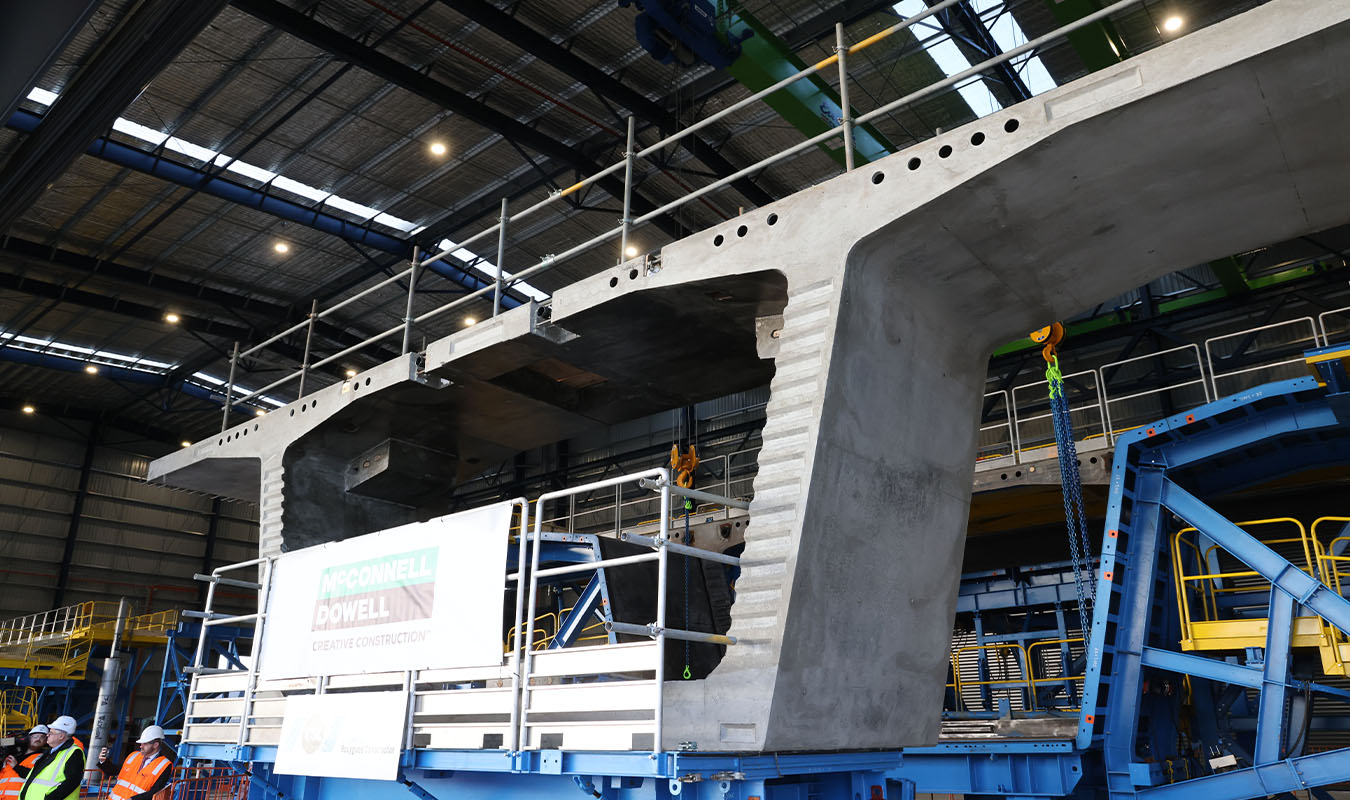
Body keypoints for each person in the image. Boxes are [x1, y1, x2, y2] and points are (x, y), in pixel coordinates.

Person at [96, 727, 174, 800]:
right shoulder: (134, 756)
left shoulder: (164, 765)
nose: (141, 746)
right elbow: (116, 771)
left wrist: (133, 799)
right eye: (141, 743)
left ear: (155, 745)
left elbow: (154, 792)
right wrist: (103, 761)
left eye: (145, 744)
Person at [15, 717, 82, 800]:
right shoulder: (50, 752)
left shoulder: (74, 753)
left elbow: (72, 782)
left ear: (61, 736)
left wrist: (50, 798)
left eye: (51, 732)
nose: (47, 735)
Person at [0, 726, 46, 800]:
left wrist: (16, 767)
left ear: (46, 741)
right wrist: (13, 741)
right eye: (35, 736)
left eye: (42, 737)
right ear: (28, 738)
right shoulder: (13, 753)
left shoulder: (43, 757)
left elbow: (37, 776)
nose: (38, 739)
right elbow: (1, 741)